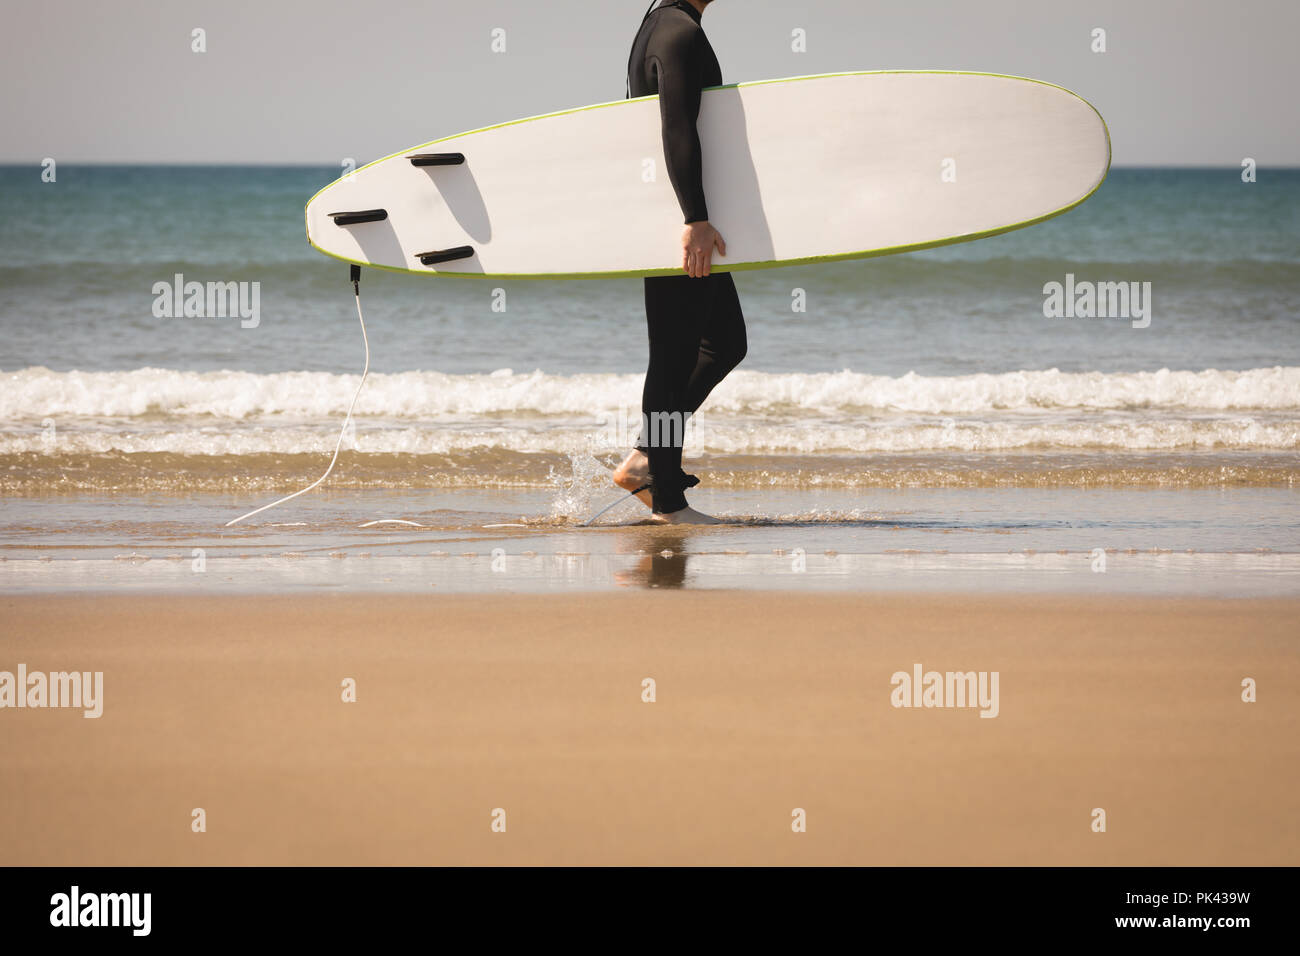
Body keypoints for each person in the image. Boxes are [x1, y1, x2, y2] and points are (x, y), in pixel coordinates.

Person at [613, 0, 747, 525]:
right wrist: (695, 217)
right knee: (672, 359)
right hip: (681, 223)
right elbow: (676, 127)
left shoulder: (666, 26)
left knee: (725, 342)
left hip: (685, 219)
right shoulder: (677, 32)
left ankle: (647, 458)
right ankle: (666, 498)